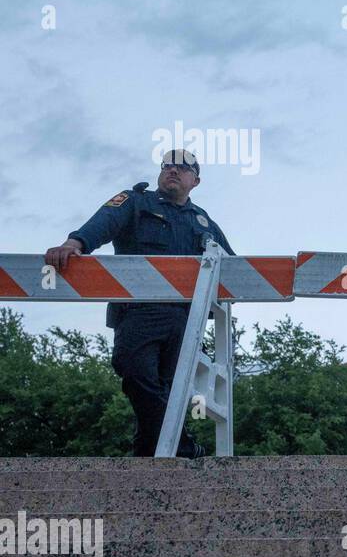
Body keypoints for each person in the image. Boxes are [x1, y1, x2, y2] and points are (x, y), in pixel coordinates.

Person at [43, 149, 233, 458]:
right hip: (139, 313)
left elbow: (233, 268)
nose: (173, 170)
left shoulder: (204, 223)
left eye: (182, 168)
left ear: (195, 181)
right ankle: (181, 448)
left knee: (172, 391)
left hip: (187, 320)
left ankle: (148, 454)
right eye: (167, 165)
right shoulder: (135, 202)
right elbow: (103, 222)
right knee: (135, 374)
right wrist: (73, 244)